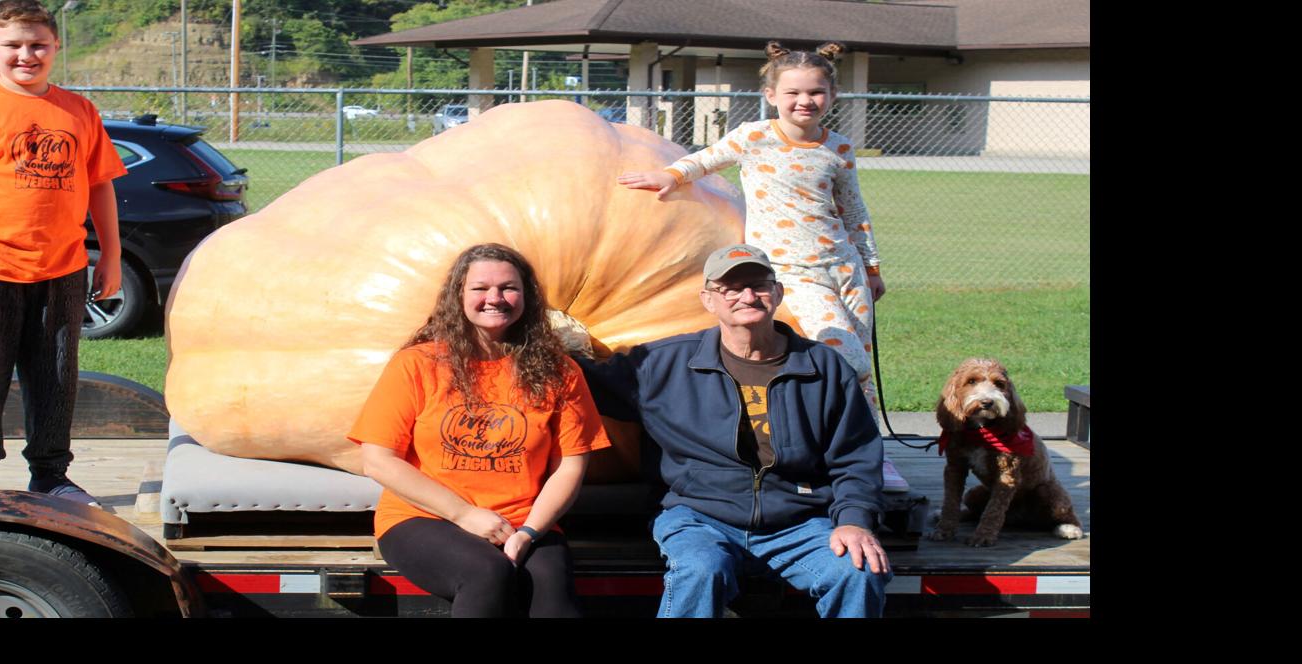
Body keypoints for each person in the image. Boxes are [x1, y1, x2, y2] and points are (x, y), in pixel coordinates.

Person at [617, 40, 910, 494]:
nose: (804, 101)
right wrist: (670, 176)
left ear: (831, 96)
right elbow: (704, 160)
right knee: (844, 356)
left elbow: (853, 209)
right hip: (794, 272)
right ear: (772, 95)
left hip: (844, 267)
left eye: (815, 92)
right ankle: (837, 450)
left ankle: (871, 457)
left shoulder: (839, 147)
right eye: (793, 93)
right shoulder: (753, 137)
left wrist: (871, 267)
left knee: (863, 365)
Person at [576, 244, 892, 618]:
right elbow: (581, 382)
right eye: (730, 288)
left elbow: (856, 457)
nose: (746, 296)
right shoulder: (663, 363)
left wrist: (854, 520)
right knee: (700, 569)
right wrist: (527, 338)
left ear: (777, 294)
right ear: (708, 300)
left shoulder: (823, 367)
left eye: (758, 285)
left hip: (798, 521)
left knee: (856, 572)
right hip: (698, 515)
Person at [0, 0, 127, 506]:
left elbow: (100, 186)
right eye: (13, 45)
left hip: (63, 266)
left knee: (55, 376)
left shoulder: (79, 111)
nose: (26, 55)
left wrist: (112, 256)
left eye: (37, 44)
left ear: (55, 47)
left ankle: (51, 473)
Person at [348, 243, 611, 618]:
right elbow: (378, 461)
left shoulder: (560, 371)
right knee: (486, 572)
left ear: (527, 296)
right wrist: (464, 515)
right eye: (480, 288)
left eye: (508, 287)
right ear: (459, 295)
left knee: (553, 595)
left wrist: (531, 531)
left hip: (523, 522)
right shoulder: (417, 364)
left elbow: (570, 465)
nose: (495, 298)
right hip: (425, 517)